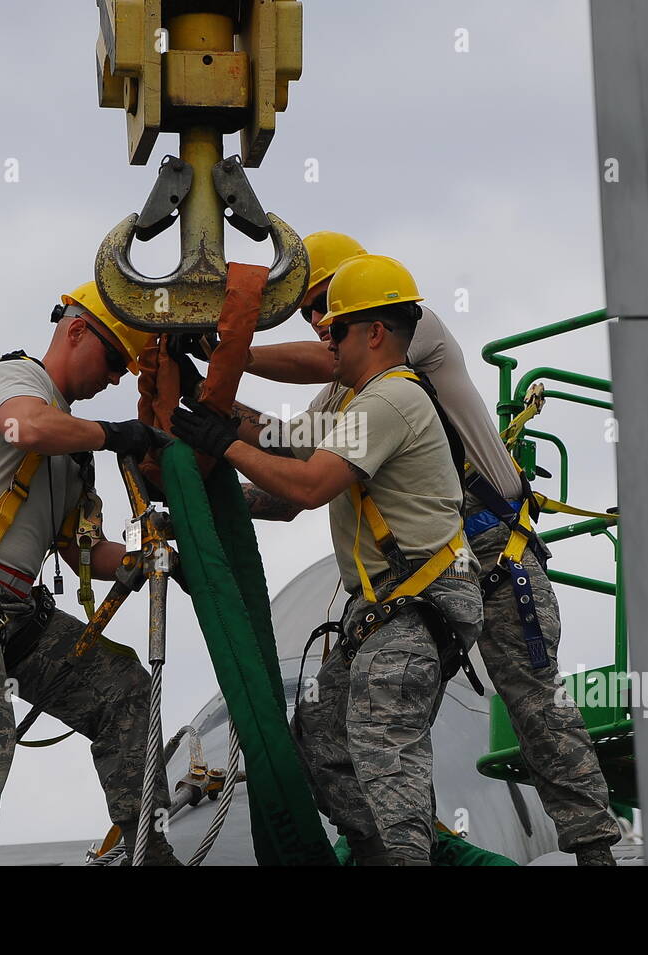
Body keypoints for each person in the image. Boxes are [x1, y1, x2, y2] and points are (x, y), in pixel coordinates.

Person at [237, 232, 622, 865]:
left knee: (532, 703)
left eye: (325, 309)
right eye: (311, 313)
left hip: (493, 553)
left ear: (366, 318)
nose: (319, 325)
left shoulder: (414, 332)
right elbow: (300, 462)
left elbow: (313, 373)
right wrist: (215, 453)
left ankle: (595, 851)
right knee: (343, 726)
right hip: (414, 584)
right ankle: (386, 850)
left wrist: (236, 354)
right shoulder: (348, 395)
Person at [173, 255, 483, 866]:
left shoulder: (392, 399)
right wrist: (210, 402)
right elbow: (288, 447)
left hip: (420, 605)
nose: (325, 339)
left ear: (373, 333)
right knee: (318, 739)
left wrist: (222, 441)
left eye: (335, 329)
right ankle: (376, 855)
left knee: (381, 748)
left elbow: (309, 485)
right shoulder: (359, 402)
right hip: (388, 610)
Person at [0, 282, 178, 865]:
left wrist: (152, 559)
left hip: (13, 613)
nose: (115, 377)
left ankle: (149, 849)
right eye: (113, 359)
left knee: (125, 693)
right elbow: (25, 429)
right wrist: (115, 433)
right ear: (74, 331)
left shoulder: (72, 451)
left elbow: (81, 551)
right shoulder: (16, 381)